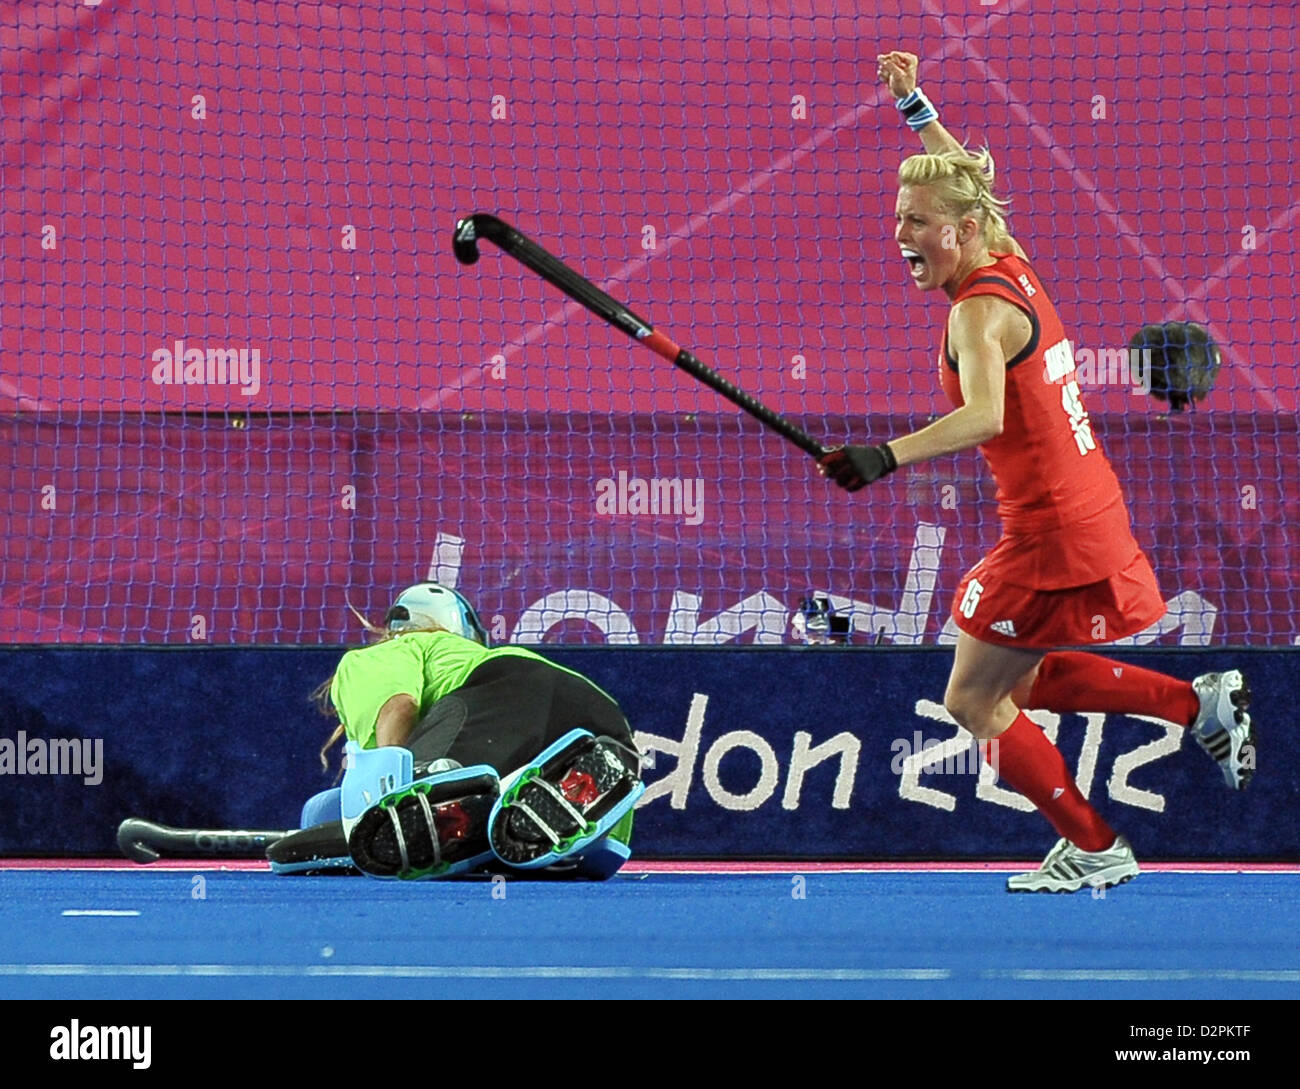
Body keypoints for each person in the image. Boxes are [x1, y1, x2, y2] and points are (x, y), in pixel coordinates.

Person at [817, 51, 1257, 893]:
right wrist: (914, 105)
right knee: (1018, 675)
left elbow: (986, 416)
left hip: (1051, 528)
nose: (902, 235)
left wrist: (884, 456)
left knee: (974, 701)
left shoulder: (978, 310)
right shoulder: (1005, 255)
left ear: (961, 230)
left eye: (918, 222)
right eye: (899, 217)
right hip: (1083, 506)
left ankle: (1097, 844)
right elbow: (969, 182)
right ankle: (1193, 703)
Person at [269, 582, 643, 880]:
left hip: (501, 693)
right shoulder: (469, 651)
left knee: (423, 802)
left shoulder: (384, 651)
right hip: (599, 712)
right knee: (507, 810)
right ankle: (589, 825)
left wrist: (385, 815)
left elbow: (397, 707)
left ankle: (452, 808)